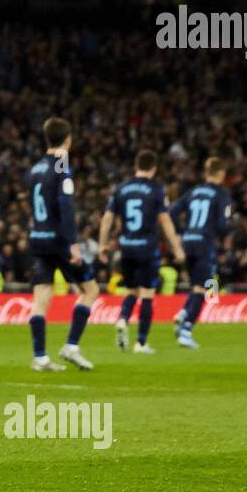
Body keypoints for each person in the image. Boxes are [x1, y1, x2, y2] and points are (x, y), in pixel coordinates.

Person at [25, 117, 98, 372]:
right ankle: (71, 346)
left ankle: (40, 357)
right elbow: (65, 205)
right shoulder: (61, 163)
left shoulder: (35, 168)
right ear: (68, 139)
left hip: (38, 238)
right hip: (58, 241)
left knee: (42, 296)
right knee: (90, 290)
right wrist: (73, 244)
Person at [99, 150, 185, 354]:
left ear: (136, 166)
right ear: (153, 168)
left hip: (126, 247)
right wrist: (176, 248)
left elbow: (107, 218)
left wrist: (103, 244)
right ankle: (141, 342)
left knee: (131, 290)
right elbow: (164, 220)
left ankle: (122, 319)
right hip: (147, 247)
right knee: (147, 294)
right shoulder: (156, 189)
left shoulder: (121, 188)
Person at [170, 157, 233, 349]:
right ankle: (186, 329)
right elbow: (223, 225)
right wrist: (228, 229)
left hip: (188, 241)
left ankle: (183, 313)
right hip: (204, 243)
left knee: (199, 284)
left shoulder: (194, 191)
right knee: (203, 288)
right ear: (221, 174)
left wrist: (182, 232)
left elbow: (172, 211)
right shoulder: (222, 194)